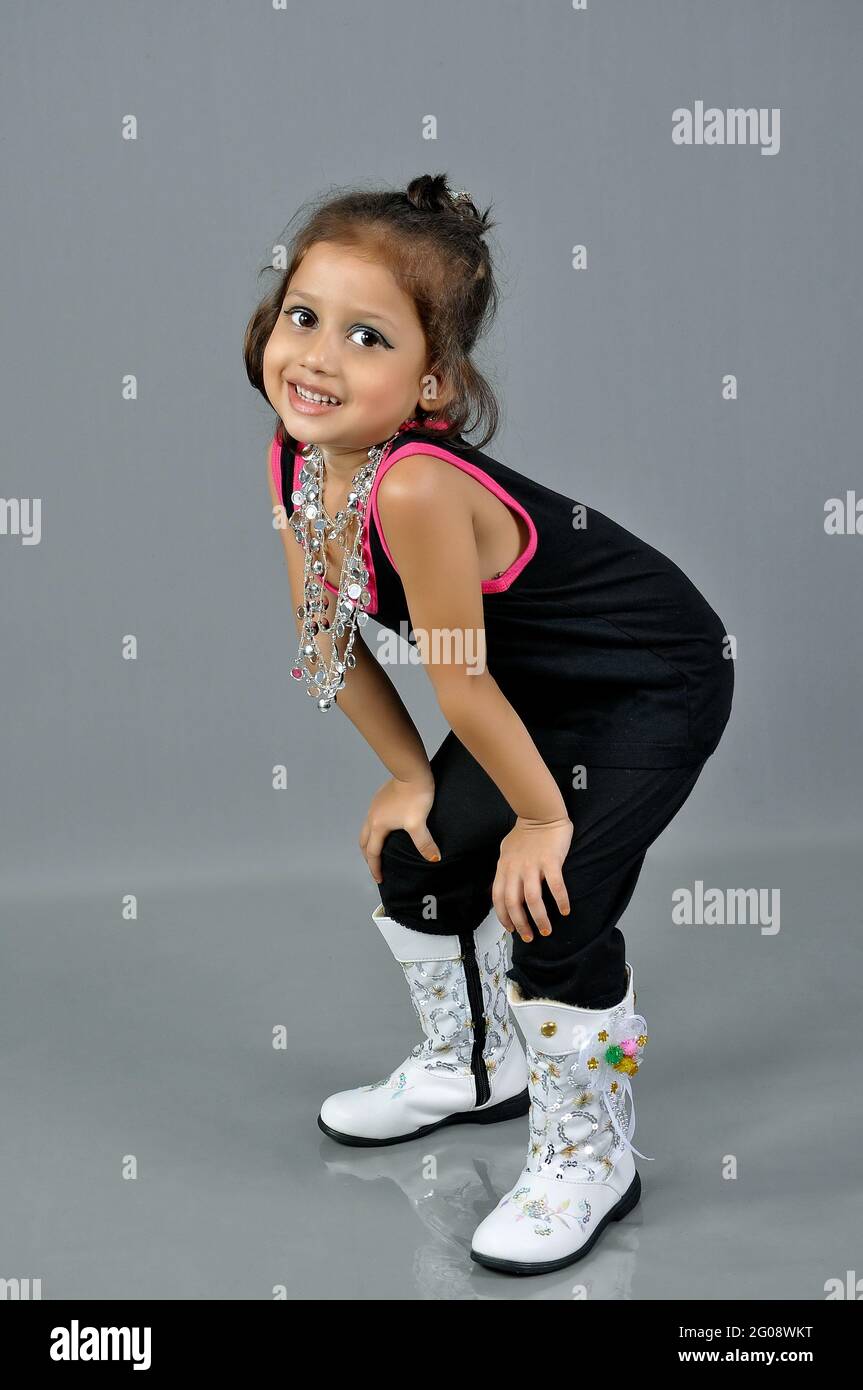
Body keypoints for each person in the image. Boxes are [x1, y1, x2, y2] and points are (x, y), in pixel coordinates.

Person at [244, 172, 734, 1277]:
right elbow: (326, 637)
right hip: (532, 694)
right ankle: (471, 1067)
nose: (316, 356)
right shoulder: (297, 458)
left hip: (646, 682)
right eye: (301, 317)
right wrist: (409, 777)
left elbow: (461, 684)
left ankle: (589, 1154)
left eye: (365, 337)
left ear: (431, 382)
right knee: (417, 856)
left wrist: (539, 819)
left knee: (547, 906)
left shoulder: (413, 487)